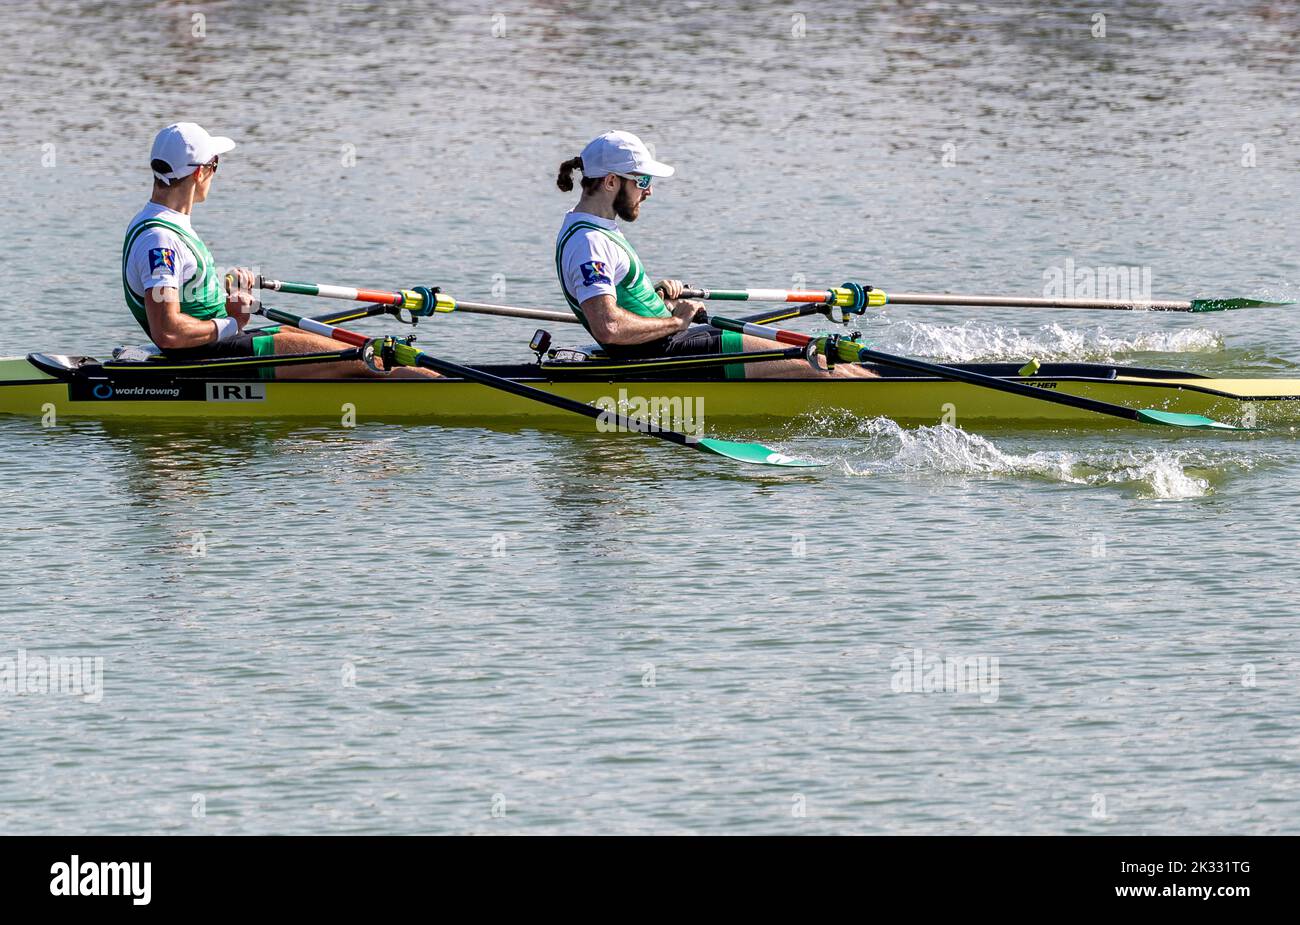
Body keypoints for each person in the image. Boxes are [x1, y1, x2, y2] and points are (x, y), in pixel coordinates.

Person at [122, 122, 435, 378]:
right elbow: (168, 332)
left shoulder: (164, 224)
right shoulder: (160, 240)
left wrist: (225, 288)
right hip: (210, 358)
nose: (216, 173)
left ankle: (431, 381)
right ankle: (448, 391)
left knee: (330, 339)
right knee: (365, 359)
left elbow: (186, 293)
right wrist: (233, 321)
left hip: (222, 346)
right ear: (199, 173)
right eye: (216, 164)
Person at [554, 130, 874, 378]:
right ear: (611, 181)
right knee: (822, 363)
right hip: (665, 355)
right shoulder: (589, 242)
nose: (649, 191)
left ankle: (891, 383)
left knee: (821, 355)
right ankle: (901, 398)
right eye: (643, 180)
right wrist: (675, 322)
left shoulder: (594, 230)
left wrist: (657, 300)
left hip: (671, 345)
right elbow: (607, 327)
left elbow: (617, 305)